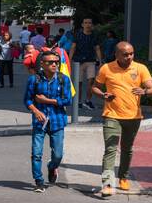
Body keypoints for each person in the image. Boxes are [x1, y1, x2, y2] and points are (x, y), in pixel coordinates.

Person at [92, 41, 152, 197]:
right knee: (110, 149)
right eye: (125, 54)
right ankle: (107, 184)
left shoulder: (140, 68)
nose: (129, 57)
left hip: (133, 116)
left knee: (127, 149)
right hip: (111, 115)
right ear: (117, 55)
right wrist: (103, 95)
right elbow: (95, 87)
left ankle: (123, 176)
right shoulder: (106, 68)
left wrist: (144, 91)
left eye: (131, 54)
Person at [24, 50, 72, 192]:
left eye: (56, 62)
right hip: (40, 121)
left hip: (57, 120)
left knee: (58, 154)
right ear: (42, 64)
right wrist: (36, 110)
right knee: (36, 152)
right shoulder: (34, 79)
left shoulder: (64, 79)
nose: (54, 64)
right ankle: (39, 181)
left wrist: (47, 101)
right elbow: (27, 100)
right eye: (50, 62)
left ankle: (52, 167)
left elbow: (68, 100)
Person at [71, 18, 103, 111]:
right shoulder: (78, 35)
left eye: (89, 23)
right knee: (79, 83)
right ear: (82, 24)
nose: (88, 24)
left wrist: (100, 61)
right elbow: (73, 47)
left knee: (91, 81)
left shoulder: (94, 36)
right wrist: (69, 59)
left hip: (90, 61)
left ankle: (88, 100)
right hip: (78, 62)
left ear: (92, 24)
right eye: (86, 23)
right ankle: (78, 101)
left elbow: (97, 48)